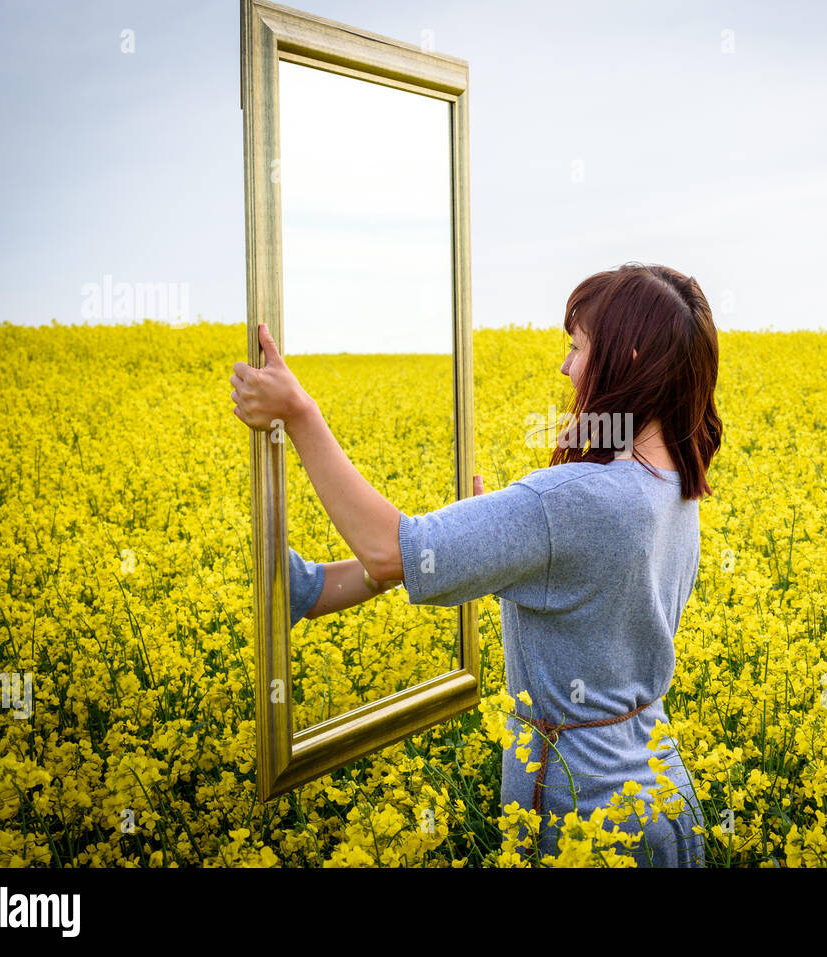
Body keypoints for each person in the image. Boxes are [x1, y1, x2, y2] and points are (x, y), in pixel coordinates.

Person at [231, 261, 723, 866]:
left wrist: (301, 413)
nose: (566, 368)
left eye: (576, 347)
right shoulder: (674, 485)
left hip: (590, 821)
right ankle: (310, 589)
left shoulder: (572, 499)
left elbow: (391, 550)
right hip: (660, 803)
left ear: (629, 355)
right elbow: (579, 595)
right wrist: (497, 544)